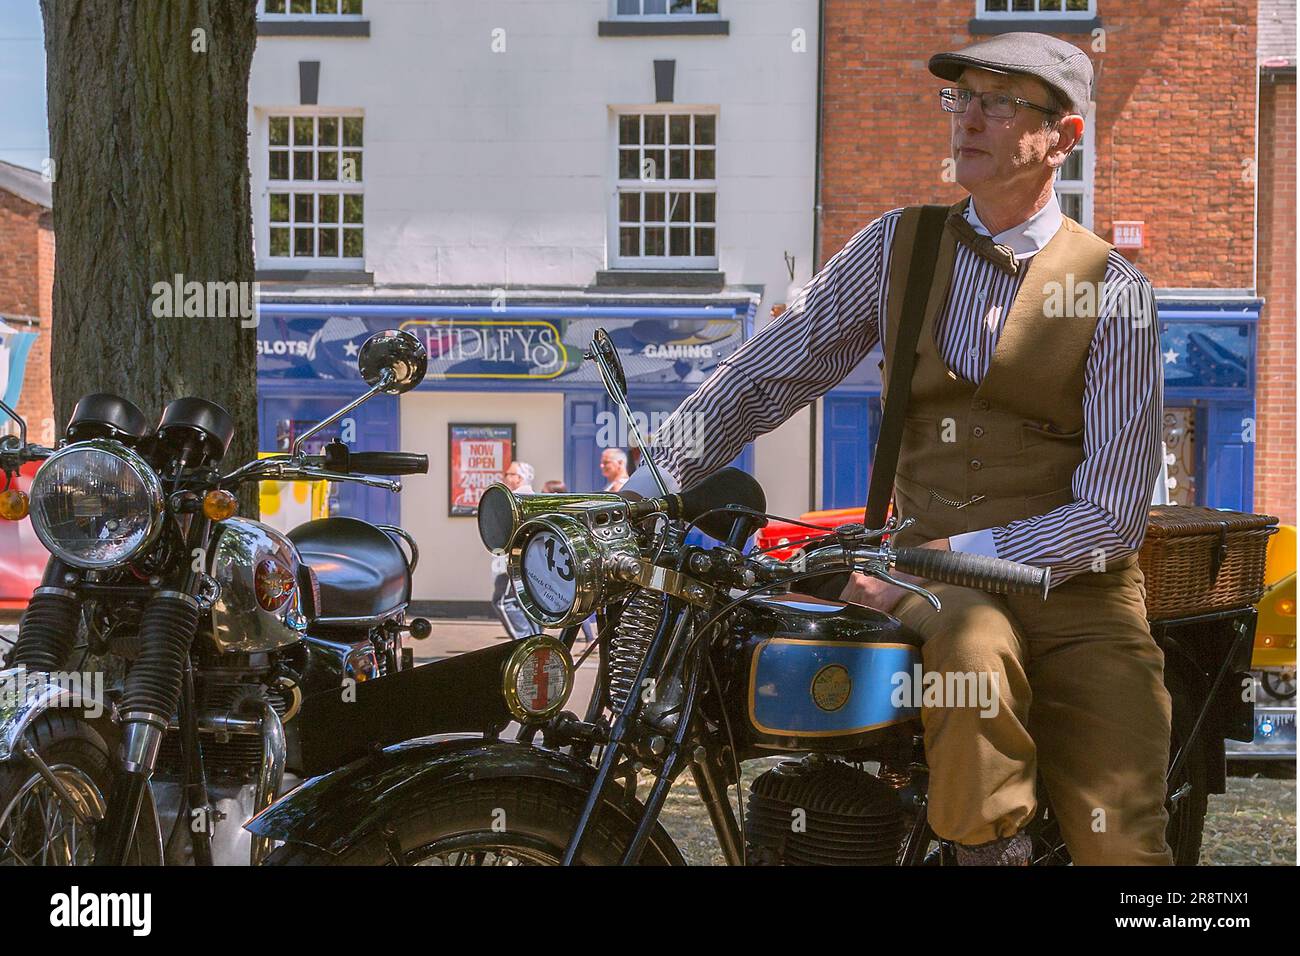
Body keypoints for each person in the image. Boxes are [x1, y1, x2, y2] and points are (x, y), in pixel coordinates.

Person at [622, 34, 1172, 865]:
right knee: (970, 642)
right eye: (961, 99)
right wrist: (650, 479)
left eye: (999, 102)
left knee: (1123, 834)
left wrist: (967, 552)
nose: (968, 119)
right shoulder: (896, 247)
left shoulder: (1117, 294)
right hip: (930, 573)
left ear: (1065, 137)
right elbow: (772, 370)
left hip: (1079, 599)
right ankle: (985, 852)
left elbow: (1115, 510)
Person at [490, 460, 535, 640]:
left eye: (509, 474)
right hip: (526, 560)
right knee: (527, 602)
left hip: (512, 559)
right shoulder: (530, 496)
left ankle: (525, 642)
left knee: (503, 601)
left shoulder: (516, 499)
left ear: (519, 478)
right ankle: (536, 641)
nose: (505, 477)